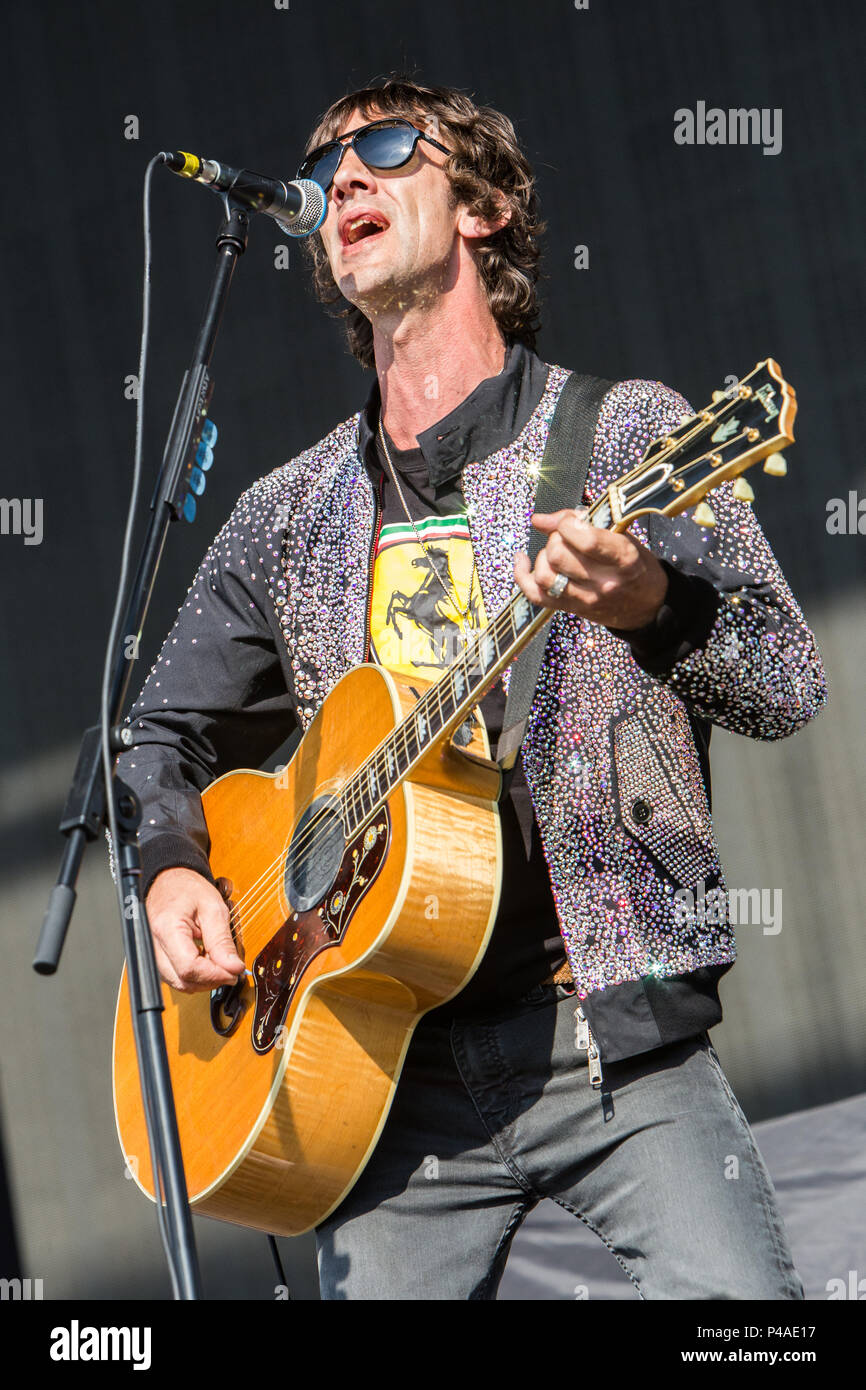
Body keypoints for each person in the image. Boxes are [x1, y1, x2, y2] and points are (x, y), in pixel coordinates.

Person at [114, 77, 827, 1300]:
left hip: (603, 1044)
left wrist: (649, 604)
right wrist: (175, 865)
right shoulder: (285, 514)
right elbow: (154, 732)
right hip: (372, 1070)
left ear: (483, 207)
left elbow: (784, 680)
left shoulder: (624, 434)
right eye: (325, 162)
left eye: (387, 148)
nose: (344, 175)